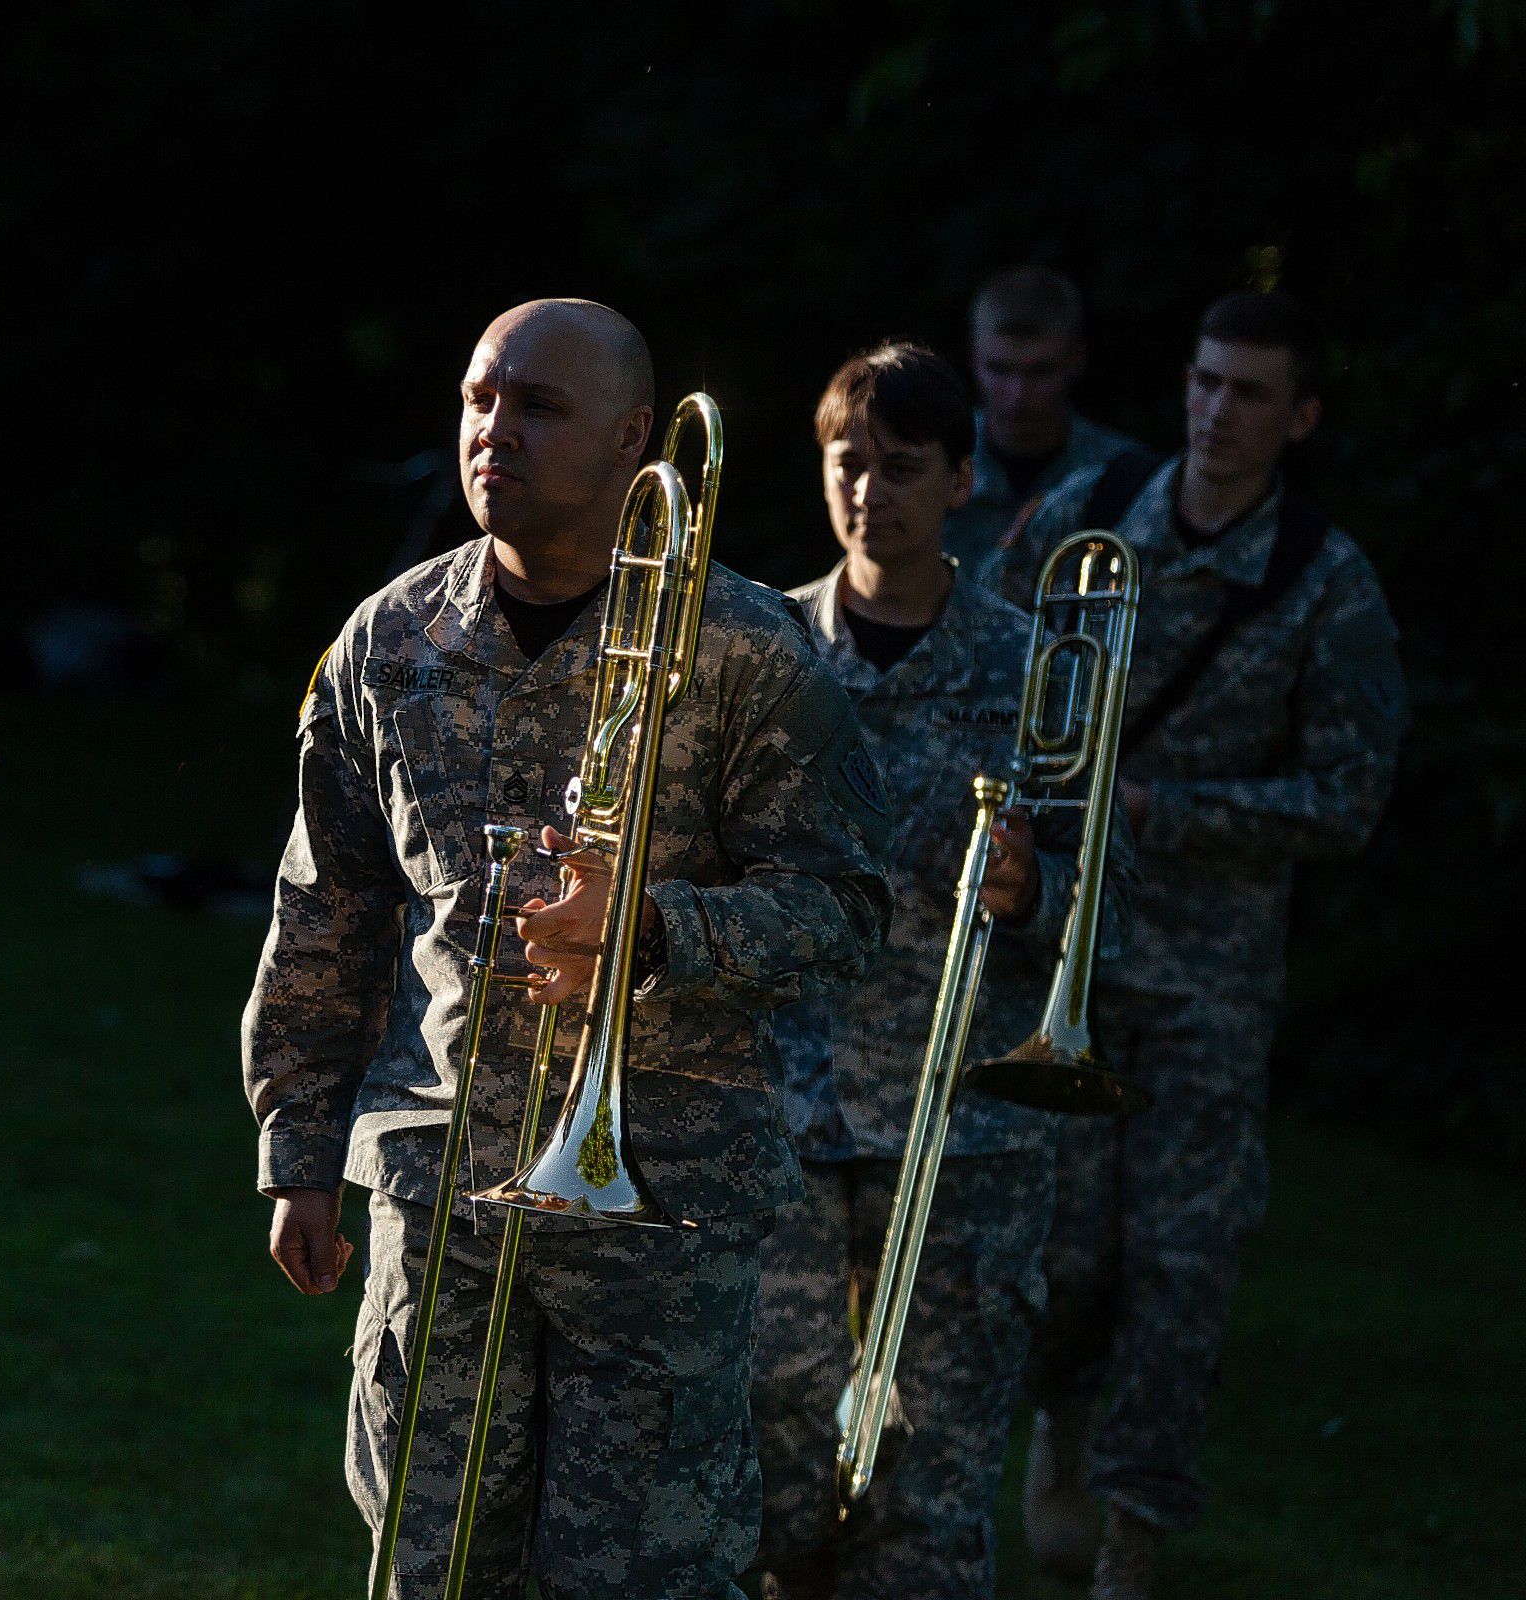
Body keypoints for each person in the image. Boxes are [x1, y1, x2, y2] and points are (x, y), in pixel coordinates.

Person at [243, 297, 891, 1600]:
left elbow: (849, 915)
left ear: (636, 440)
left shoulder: (749, 650)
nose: (496, 432)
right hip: (442, 1206)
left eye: (539, 408)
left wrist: (654, 929)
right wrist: (300, 1152)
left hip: (658, 1215)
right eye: (481, 399)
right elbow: (328, 910)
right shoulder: (390, 640)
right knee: (430, 1575)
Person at [989, 290, 1406, 1600]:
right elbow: (992, 679)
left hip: (1207, 987)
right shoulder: (1083, 521)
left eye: (1252, 393)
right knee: (1060, 1256)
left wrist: (1170, 812)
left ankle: (1135, 1538)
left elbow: (1345, 800)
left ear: (1302, 417)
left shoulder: (1325, 584)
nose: (1220, 413)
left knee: (1183, 1267)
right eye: (1206, 383)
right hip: (1066, 948)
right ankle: (1056, 1431)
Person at [752, 343, 1122, 1600]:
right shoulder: (764, 651)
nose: (868, 492)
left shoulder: (1038, 670)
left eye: (902, 468)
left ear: (962, 479)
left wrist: (1033, 895)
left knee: (930, 1505)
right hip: (787, 1121)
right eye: (847, 463)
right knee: (770, 1482)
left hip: (968, 1134)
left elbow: (1101, 917)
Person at [943, 266, 1143, 575]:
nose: (1018, 393)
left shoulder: (1123, 479)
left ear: (1075, 358)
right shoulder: (933, 465)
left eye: (1040, 372)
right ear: (973, 356)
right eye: (999, 369)